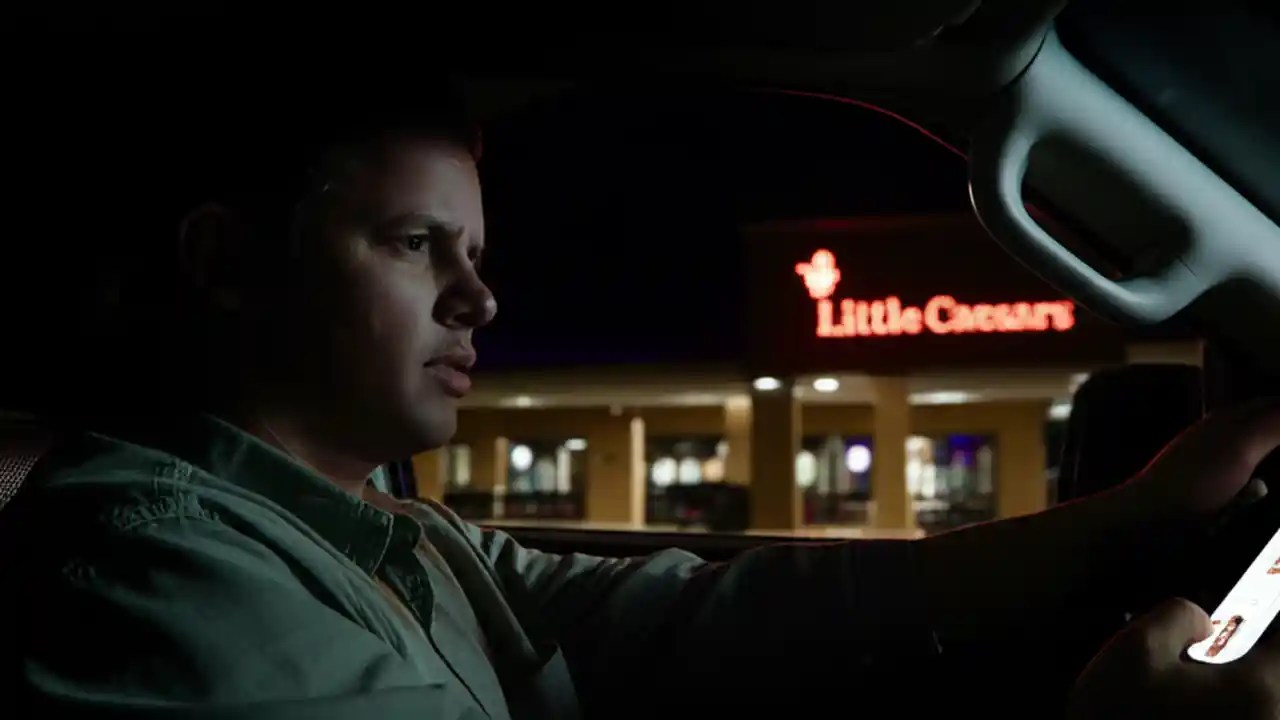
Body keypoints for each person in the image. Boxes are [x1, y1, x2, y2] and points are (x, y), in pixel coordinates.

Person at [5, 85, 1280, 719]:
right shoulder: (149, 569)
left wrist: (1133, 516)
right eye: (413, 245)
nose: (478, 303)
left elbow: (700, 614)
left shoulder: (398, 539)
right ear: (223, 262)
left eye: (475, 255)